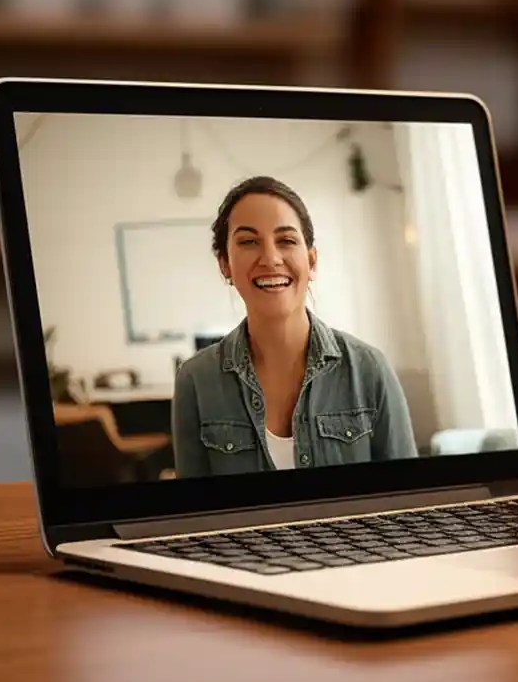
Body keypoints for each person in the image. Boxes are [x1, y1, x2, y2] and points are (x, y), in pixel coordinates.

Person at [172, 176, 417, 478]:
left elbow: (407, 499)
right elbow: (195, 517)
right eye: (248, 242)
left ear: (311, 262)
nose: (271, 258)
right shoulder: (195, 380)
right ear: (225, 264)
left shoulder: (369, 369)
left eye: (286, 240)